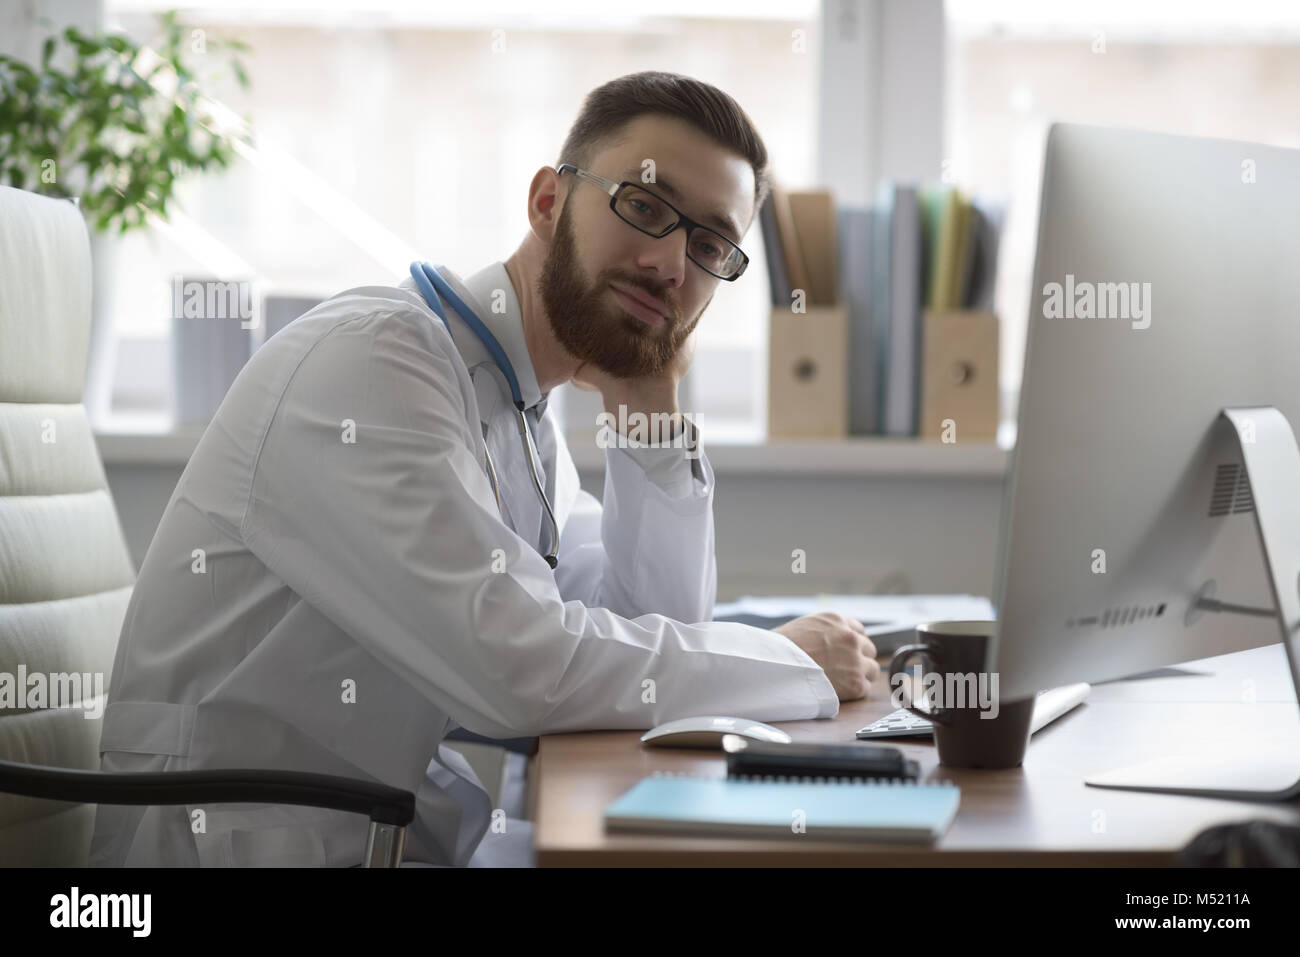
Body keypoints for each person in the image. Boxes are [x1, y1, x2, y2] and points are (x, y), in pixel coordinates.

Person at [90, 70, 880, 868]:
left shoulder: (515, 407)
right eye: (643, 205)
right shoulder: (379, 362)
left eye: (709, 244)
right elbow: (522, 672)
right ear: (547, 201)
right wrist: (788, 661)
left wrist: (649, 404)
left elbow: (650, 620)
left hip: (369, 833)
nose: (672, 262)